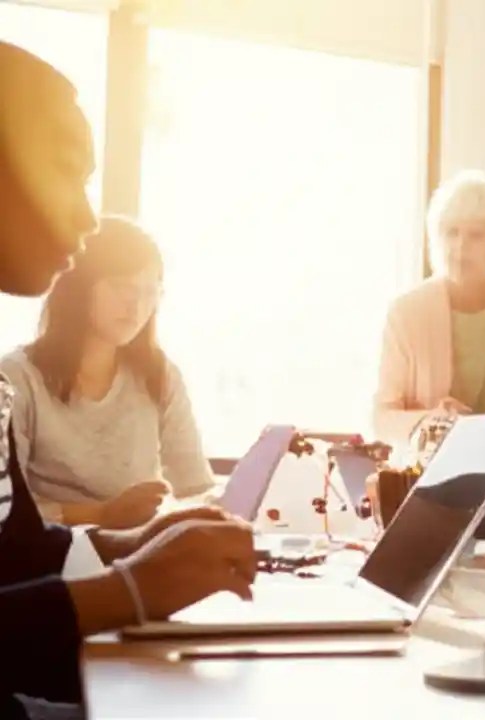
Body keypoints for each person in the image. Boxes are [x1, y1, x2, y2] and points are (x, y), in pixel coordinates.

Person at [0, 41, 255, 714]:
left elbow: (15, 546)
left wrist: (133, 544)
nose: (87, 218)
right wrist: (128, 589)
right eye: (66, 172)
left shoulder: (157, 376)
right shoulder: (18, 377)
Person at [1, 217, 215, 529]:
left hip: (138, 550)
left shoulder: (159, 374)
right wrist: (100, 515)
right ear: (79, 288)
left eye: (150, 291)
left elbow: (195, 485)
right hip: (51, 552)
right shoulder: (17, 378)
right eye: (121, 287)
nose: (137, 305)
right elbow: (7, 508)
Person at [374, 170, 485, 494]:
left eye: (475, 235)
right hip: (425, 482)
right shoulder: (407, 310)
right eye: (450, 232)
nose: (459, 246)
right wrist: (431, 421)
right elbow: (383, 415)